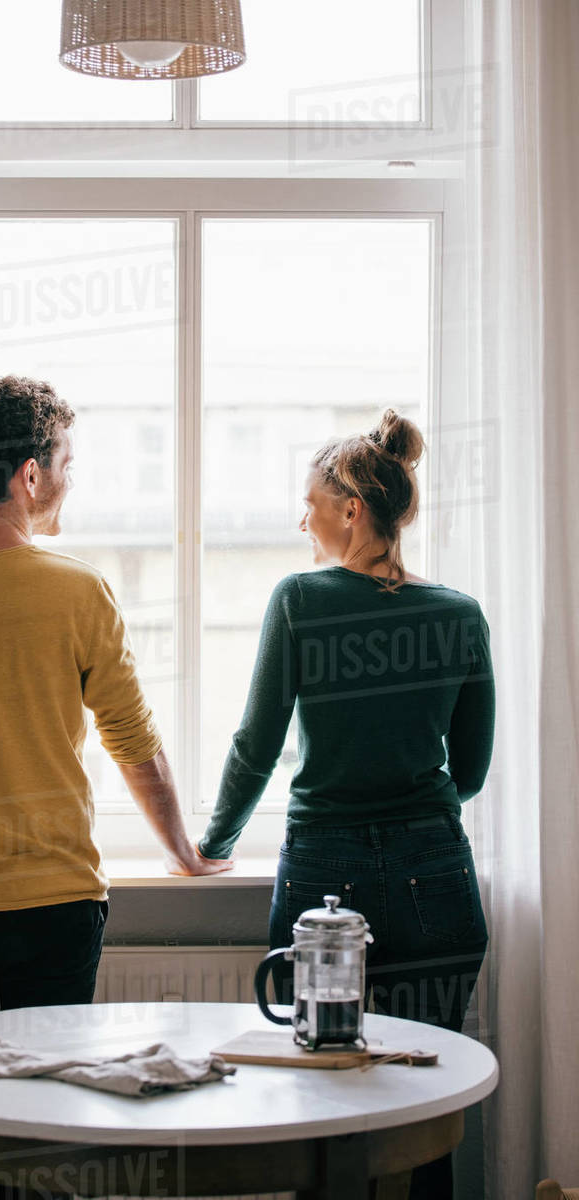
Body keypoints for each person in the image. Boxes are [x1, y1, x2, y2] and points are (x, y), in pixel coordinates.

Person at [0, 374, 230, 1031]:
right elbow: (132, 740)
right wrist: (184, 851)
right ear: (30, 476)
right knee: (45, 1109)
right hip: (52, 908)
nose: (69, 482)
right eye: (66, 465)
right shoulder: (78, 589)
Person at [196, 408, 494, 1200]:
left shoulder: (300, 598)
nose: (303, 519)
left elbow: (256, 744)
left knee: (317, 1097)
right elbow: (468, 773)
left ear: (352, 509)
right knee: (428, 1096)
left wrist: (213, 841)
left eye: (311, 503)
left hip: (324, 874)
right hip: (436, 867)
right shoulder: (461, 615)